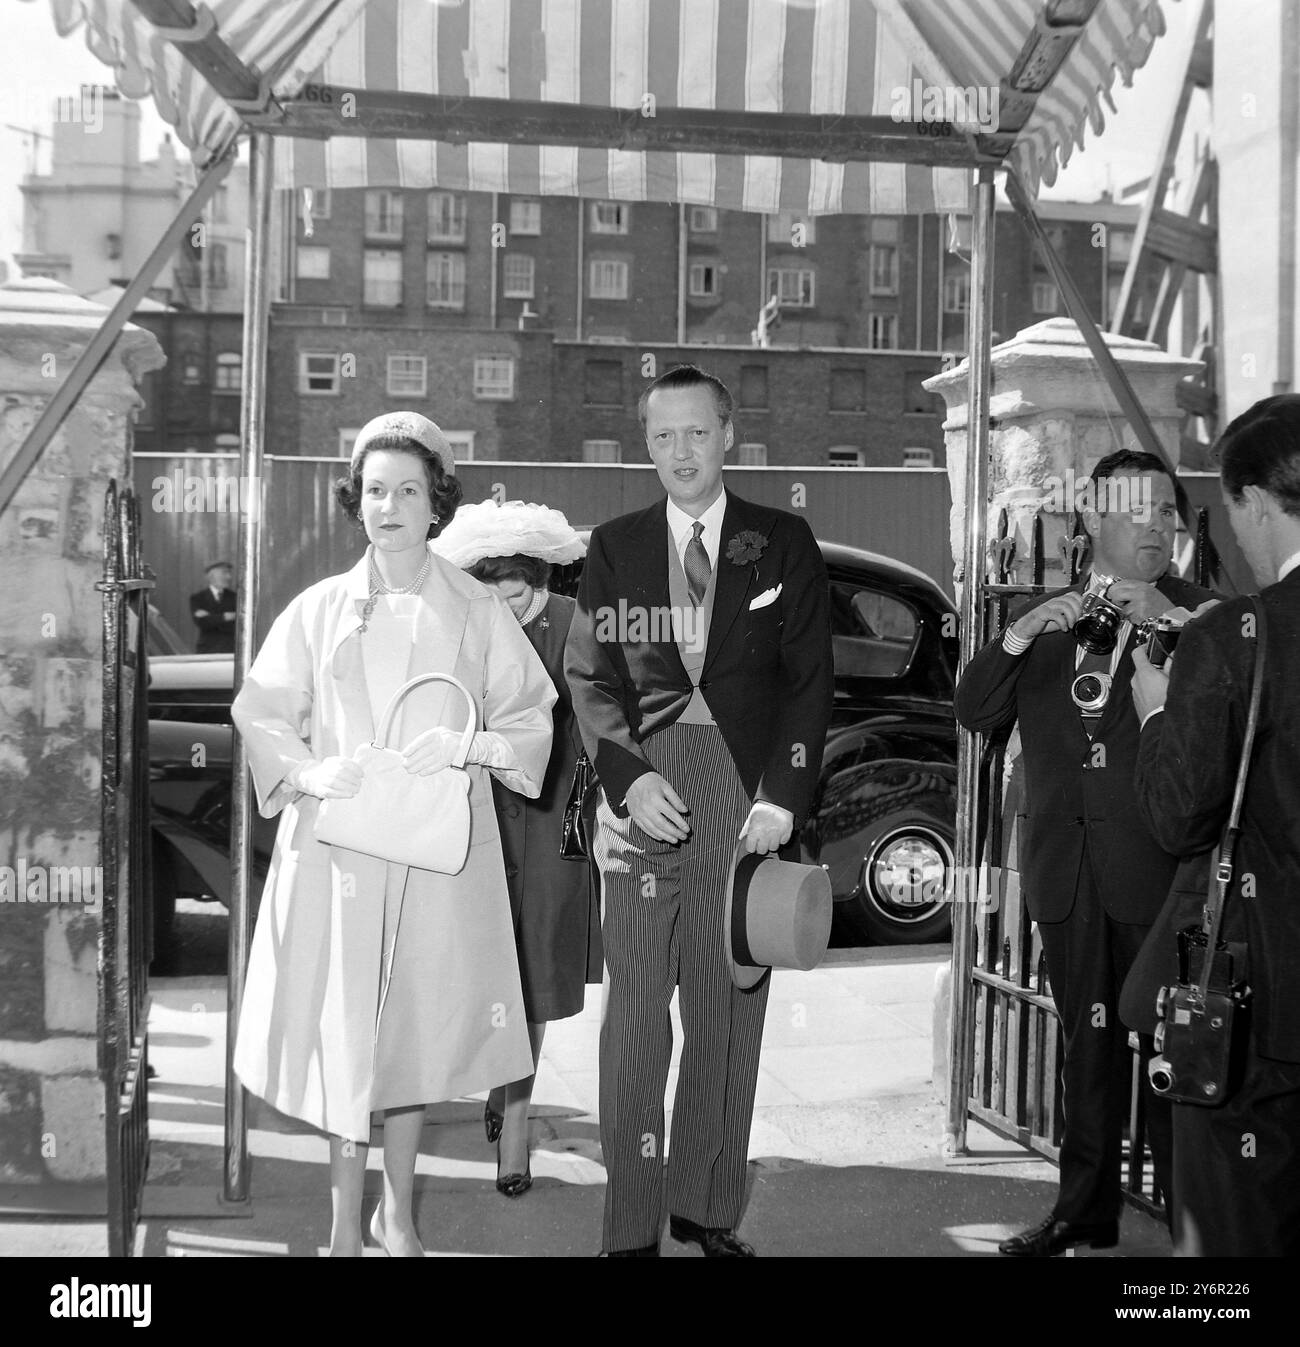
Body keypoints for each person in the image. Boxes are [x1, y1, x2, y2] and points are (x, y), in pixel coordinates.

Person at [230, 412, 556, 1257]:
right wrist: (303, 771)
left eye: (407, 489)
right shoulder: (318, 608)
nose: (388, 505)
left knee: (411, 1032)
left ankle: (397, 1212)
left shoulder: (478, 607)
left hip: (438, 854)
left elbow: (530, 714)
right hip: (339, 852)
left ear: (436, 501)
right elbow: (264, 709)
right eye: (375, 489)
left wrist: (474, 744)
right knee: (348, 1035)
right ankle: (344, 1221)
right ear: (357, 499)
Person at [564, 364, 834, 1257]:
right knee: (638, 1010)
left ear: (728, 435)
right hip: (650, 781)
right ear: (646, 445)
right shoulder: (614, 545)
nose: (681, 451)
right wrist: (625, 778)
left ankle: (707, 1204)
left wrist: (782, 799)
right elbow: (590, 678)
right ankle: (630, 1225)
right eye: (663, 435)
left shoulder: (781, 540)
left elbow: (808, 682)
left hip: (744, 790)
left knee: (726, 1003)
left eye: (697, 432)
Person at [955, 449, 1218, 1258]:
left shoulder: (1206, 616)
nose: (1158, 528)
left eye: (1168, 515)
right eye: (1140, 512)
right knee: (1087, 1049)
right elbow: (973, 707)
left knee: (1178, 1054)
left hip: (1158, 877)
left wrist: (1179, 630)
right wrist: (1022, 628)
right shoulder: (1048, 618)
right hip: (1066, 874)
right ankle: (1082, 1211)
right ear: (1092, 518)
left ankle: (1195, 1231)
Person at [1129, 394, 1300, 1257]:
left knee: (1223, 1250)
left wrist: (1159, 715)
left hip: (1258, 1015)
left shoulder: (1239, 634)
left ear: (1253, 502)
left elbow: (1175, 815)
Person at [432, 499, 602, 1197]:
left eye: (519, 580)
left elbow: (603, 717)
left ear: (541, 574)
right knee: (486, 970)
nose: (507, 593)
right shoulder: (464, 628)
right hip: (480, 819)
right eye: (492, 579)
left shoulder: (575, 625)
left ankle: (518, 1126)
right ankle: (503, 1089)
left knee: (533, 974)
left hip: (553, 819)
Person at [190, 560, 237, 653]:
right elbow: (201, 622)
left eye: (229, 573)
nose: (229, 577)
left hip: (230, 650)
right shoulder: (198, 598)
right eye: (224, 573)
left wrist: (211, 616)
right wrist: (226, 616)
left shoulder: (235, 597)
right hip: (207, 650)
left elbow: (238, 622)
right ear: (211, 576)